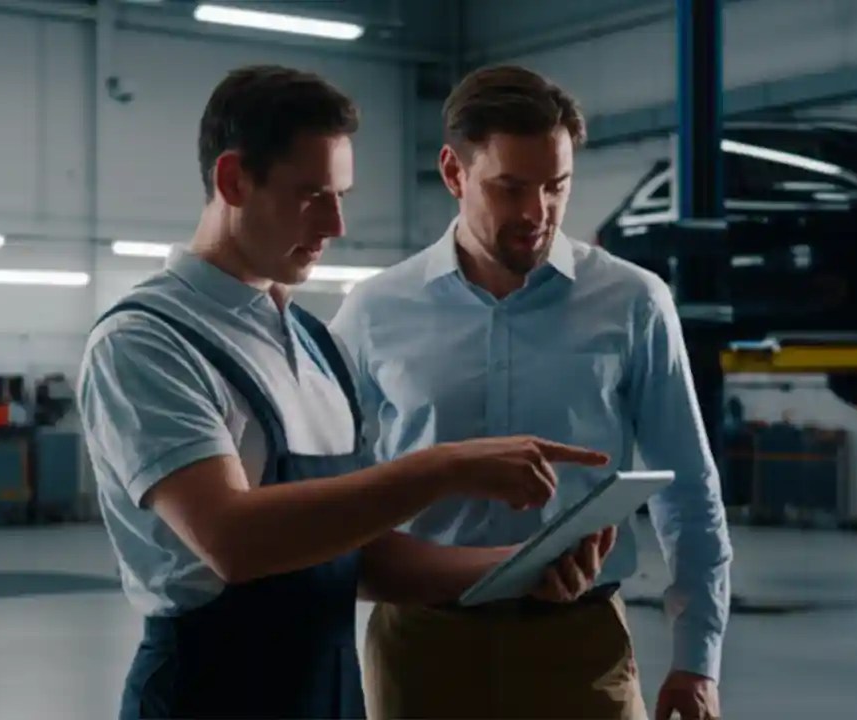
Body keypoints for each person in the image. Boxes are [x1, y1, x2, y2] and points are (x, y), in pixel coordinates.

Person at [75, 64, 616, 720]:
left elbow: (360, 555)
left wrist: (524, 565)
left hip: (328, 690)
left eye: (341, 195)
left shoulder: (312, 343)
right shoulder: (148, 342)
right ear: (232, 180)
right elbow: (232, 538)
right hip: (209, 693)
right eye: (311, 195)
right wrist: (443, 468)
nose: (335, 224)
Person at [330, 64, 734, 720]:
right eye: (509, 187)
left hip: (582, 645)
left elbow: (689, 491)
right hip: (422, 646)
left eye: (556, 186)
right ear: (454, 173)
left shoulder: (634, 302)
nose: (535, 214)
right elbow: (332, 489)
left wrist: (697, 661)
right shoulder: (375, 311)